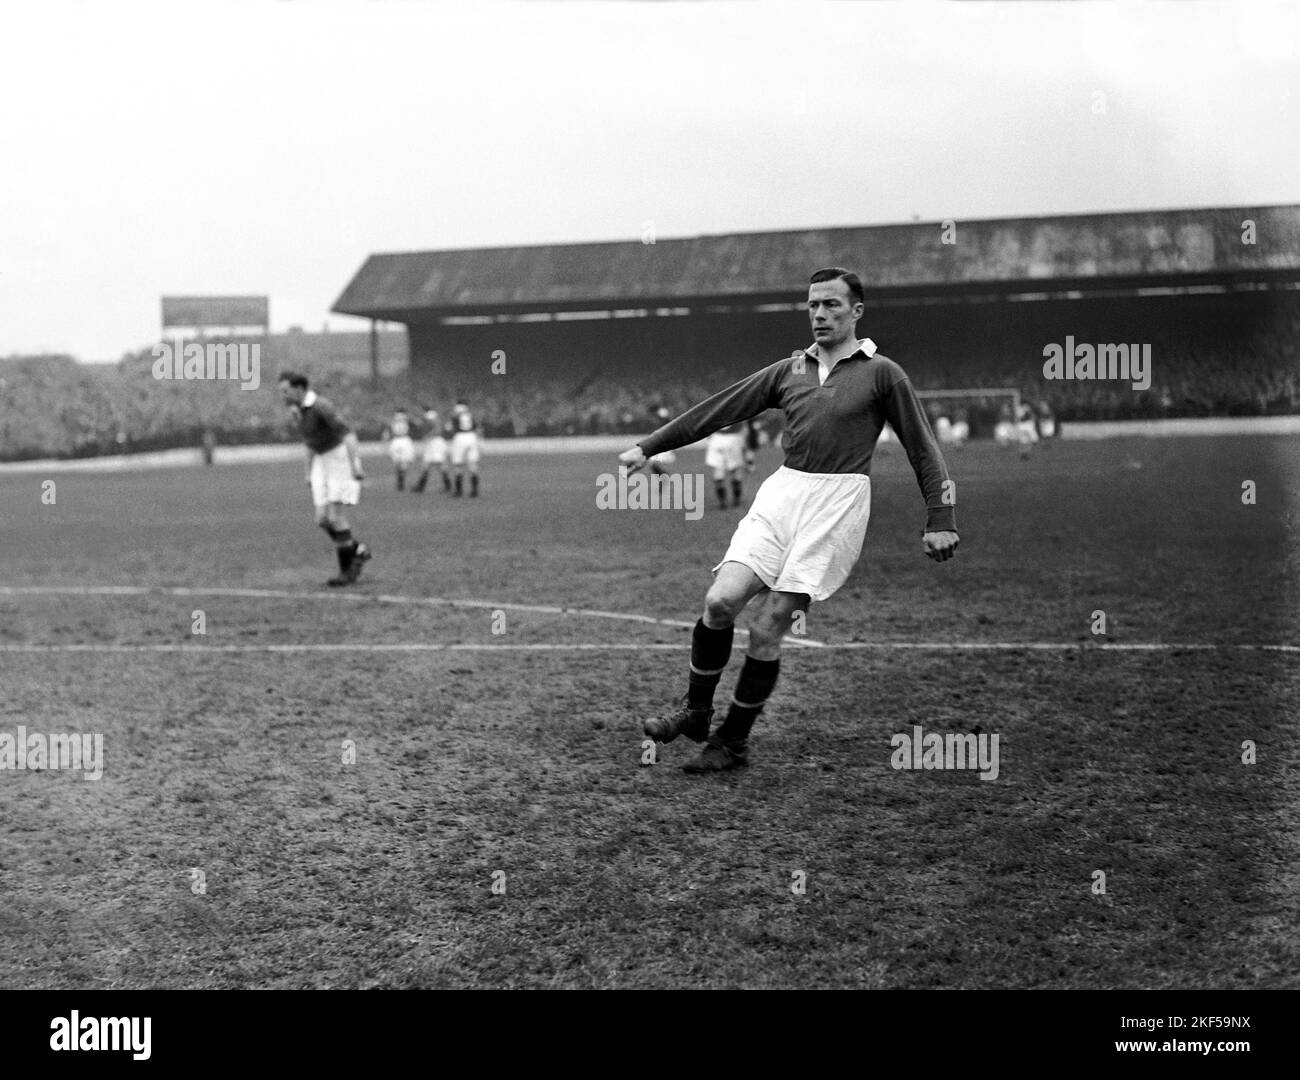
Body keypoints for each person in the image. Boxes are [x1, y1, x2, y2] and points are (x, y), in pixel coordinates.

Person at [619, 268, 959, 773]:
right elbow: (720, 409)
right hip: (783, 494)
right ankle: (695, 712)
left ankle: (732, 741)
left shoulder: (884, 373)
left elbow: (922, 447)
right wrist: (650, 446)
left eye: (832, 305)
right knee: (720, 602)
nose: (820, 314)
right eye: (813, 305)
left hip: (837, 504)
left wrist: (941, 516)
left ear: (857, 312)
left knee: (769, 624)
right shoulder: (789, 370)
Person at [277, 372, 372, 587]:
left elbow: (348, 434)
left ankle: (346, 572)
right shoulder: (297, 411)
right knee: (322, 519)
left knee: (336, 516)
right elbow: (309, 442)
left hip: (338, 458)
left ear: (299, 389)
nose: (282, 395)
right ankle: (358, 550)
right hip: (321, 461)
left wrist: (355, 465)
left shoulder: (321, 406)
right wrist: (308, 472)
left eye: (285, 391)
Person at [704, 421, 749, 508]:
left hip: (717, 438)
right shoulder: (736, 408)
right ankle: (736, 500)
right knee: (735, 471)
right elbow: (743, 425)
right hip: (734, 437)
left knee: (718, 471)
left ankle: (722, 502)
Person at [412, 406, 450, 493]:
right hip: (432, 442)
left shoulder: (431, 416)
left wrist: (428, 435)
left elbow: (437, 428)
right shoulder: (429, 416)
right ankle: (421, 486)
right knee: (427, 463)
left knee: (439, 464)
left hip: (435, 442)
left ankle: (447, 486)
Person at [447, 400, 481, 496]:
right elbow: (477, 427)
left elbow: (449, 428)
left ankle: (459, 491)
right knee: (473, 464)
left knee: (458, 464)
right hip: (472, 437)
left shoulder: (455, 414)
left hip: (460, 437)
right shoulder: (470, 415)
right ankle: (474, 490)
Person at [384, 408, 416, 490]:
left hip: (398, 440)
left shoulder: (394, 421)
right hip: (403, 440)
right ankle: (401, 481)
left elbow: (387, 433)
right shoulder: (405, 420)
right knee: (402, 462)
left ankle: (400, 481)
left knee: (399, 462)